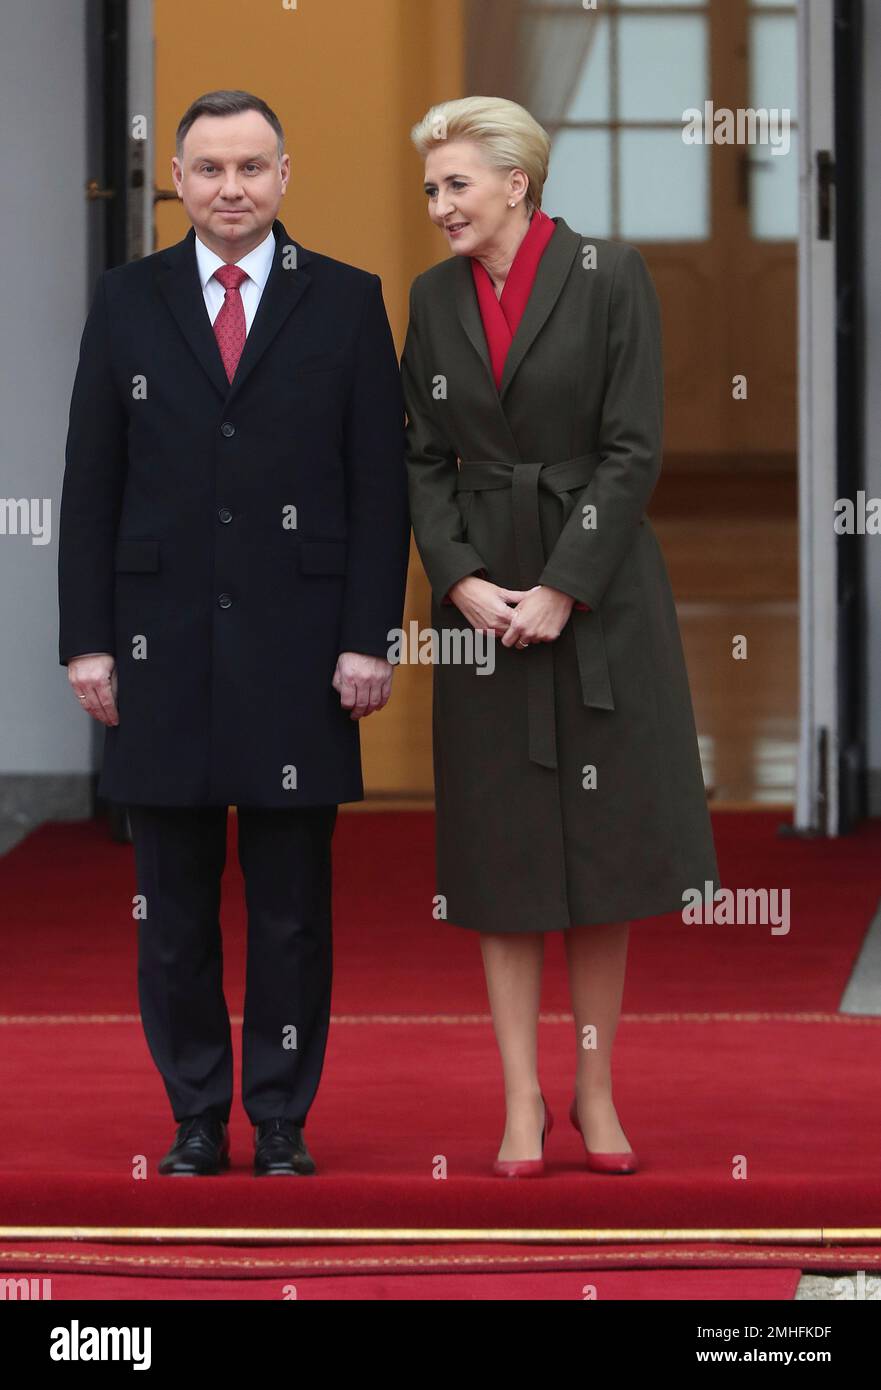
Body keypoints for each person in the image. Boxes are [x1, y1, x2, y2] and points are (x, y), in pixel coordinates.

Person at [58, 89, 409, 1177]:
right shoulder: (125, 300)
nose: (230, 188)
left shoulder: (347, 302)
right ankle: (197, 1115)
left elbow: (377, 487)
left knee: (294, 910)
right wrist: (87, 641)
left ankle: (285, 1119)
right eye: (207, 168)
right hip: (155, 648)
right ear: (177, 178)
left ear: (285, 174)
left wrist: (367, 636)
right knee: (170, 912)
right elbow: (90, 483)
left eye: (251, 167)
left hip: (303, 651)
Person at [402, 97, 720, 1178]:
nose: (439, 204)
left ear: (516, 184)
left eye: (455, 184)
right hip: (482, 605)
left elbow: (633, 449)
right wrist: (461, 580)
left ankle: (593, 1089)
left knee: (598, 857)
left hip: (602, 600)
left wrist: (562, 589)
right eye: (432, 187)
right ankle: (519, 1101)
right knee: (500, 860)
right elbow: (419, 458)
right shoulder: (430, 299)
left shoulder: (610, 277)